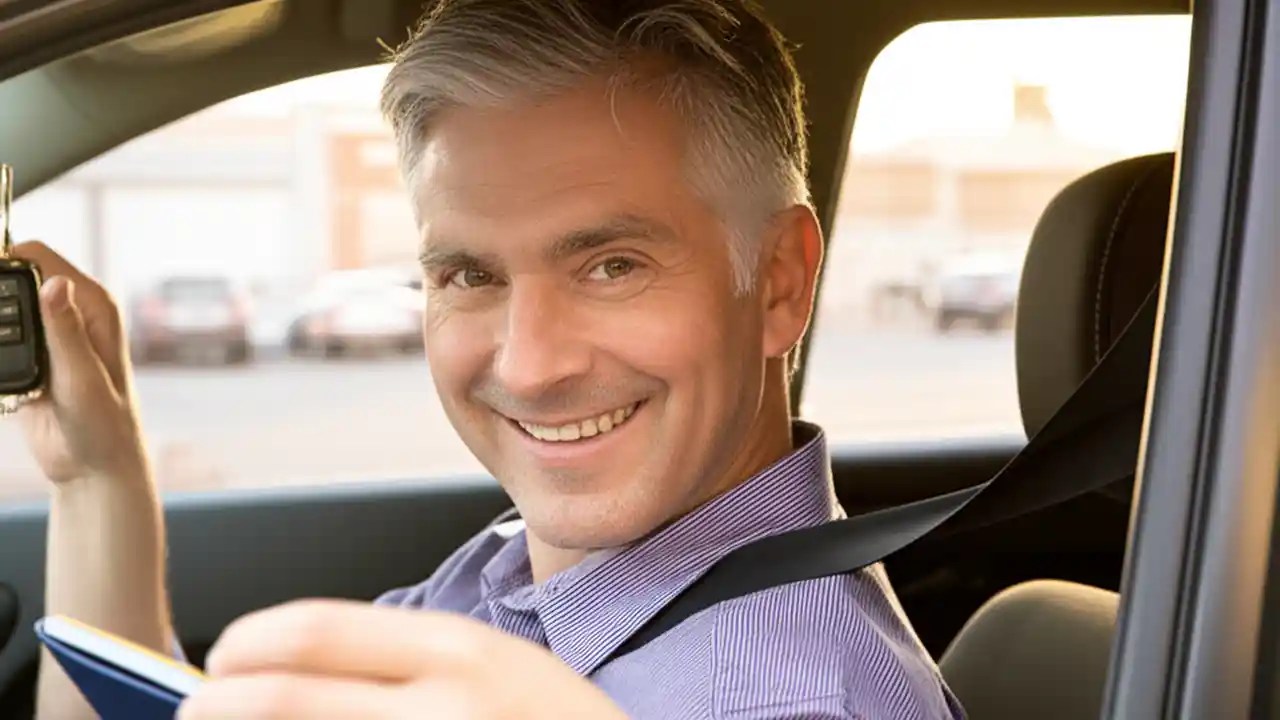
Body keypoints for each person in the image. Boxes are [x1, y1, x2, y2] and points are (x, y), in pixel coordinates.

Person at [20, 1, 964, 718]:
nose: (529, 365)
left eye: (613, 264)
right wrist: (99, 477)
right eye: (471, 274)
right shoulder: (532, 573)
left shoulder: (800, 695)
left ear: (779, 286)